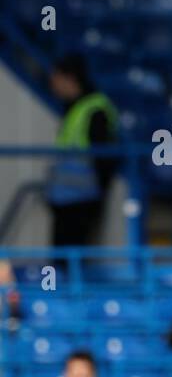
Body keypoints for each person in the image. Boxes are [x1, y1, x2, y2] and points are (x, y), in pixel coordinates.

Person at [46, 54, 120, 247]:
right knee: (61, 259)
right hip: (63, 198)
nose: (52, 84)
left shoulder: (95, 109)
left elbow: (103, 156)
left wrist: (97, 195)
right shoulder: (73, 107)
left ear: (70, 78)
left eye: (56, 78)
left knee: (73, 259)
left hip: (83, 200)